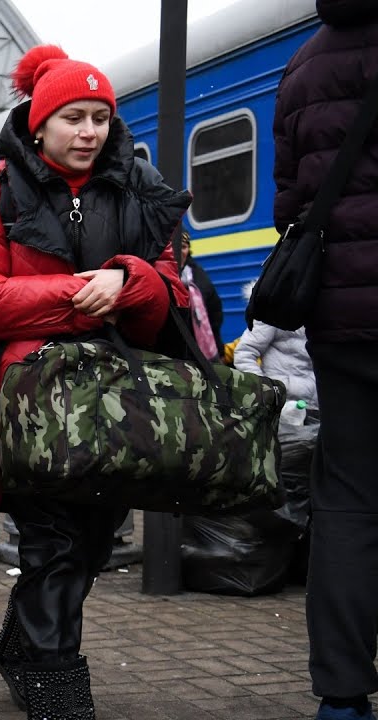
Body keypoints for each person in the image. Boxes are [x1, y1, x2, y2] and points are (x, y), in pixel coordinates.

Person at [0, 45, 190, 719]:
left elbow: (172, 294)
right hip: (29, 402)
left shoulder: (140, 191)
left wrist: (130, 281)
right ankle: (59, 691)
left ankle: (19, 644)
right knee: (52, 545)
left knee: (93, 541)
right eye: (73, 117)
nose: (88, 132)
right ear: (39, 124)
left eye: (100, 117)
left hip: (117, 401)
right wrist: (84, 295)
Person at [272, 2, 378, 717]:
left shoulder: (303, 65)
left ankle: (341, 698)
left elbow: (290, 209)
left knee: (345, 500)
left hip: (342, 324)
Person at [233, 321, 316, 410]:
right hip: (281, 401)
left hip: (320, 402)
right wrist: (265, 388)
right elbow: (244, 354)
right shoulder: (274, 312)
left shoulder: (325, 313)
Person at [178, 231, 224, 361]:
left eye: (184, 247)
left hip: (199, 352)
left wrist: (219, 350)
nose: (181, 252)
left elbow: (214, 314)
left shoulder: (197, 274)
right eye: (177, 247)